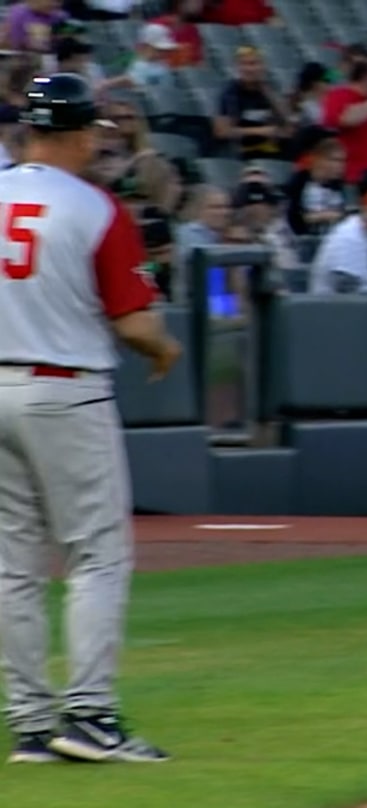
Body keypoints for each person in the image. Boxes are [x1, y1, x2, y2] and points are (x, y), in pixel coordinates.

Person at [0, 73, 181, 764]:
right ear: (81, 132)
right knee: (96, 553)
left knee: (13, 563)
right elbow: (134, 323)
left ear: (29, 130)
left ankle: (30, 724)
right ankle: (90, 715)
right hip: (63, 387)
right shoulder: (95, 207)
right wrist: (164, 347)